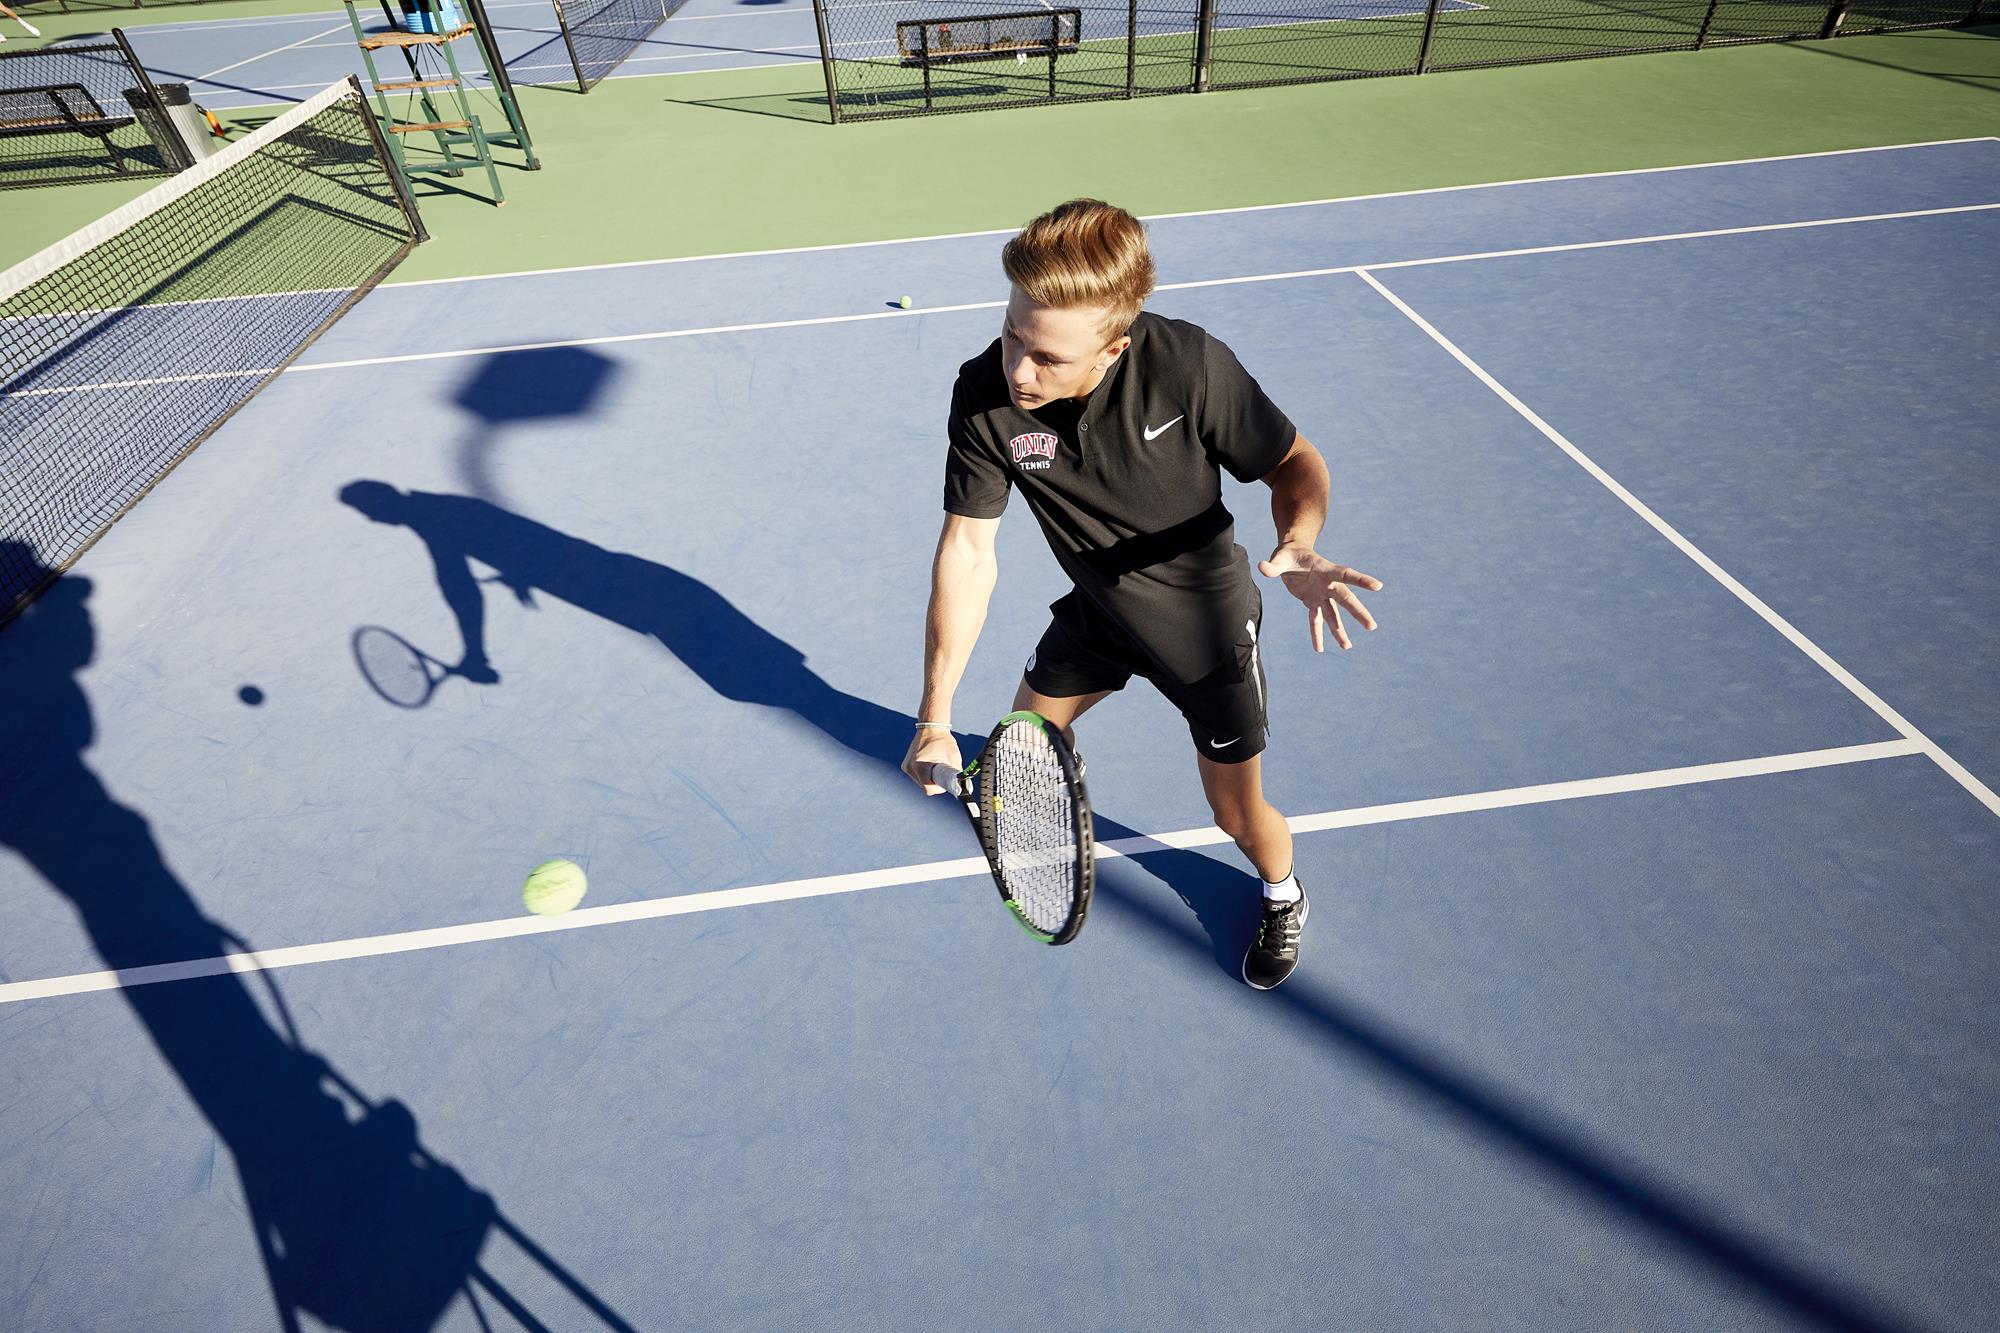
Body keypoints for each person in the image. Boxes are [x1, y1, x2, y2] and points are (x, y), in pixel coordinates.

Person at [899, 199, 1381, 989]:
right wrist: (933, 715)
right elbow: (967, 551)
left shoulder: (1186, 365)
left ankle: (1283, 890)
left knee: (1235, 814)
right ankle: (1038, 778)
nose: (1020, 369)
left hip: (1205, 626)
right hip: (1099, 612)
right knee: (1020, 746)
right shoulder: (983, 393)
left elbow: (1293, 460)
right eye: (1013, 332)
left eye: (1048, 357)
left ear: (1115, 348)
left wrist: (1298, 541)